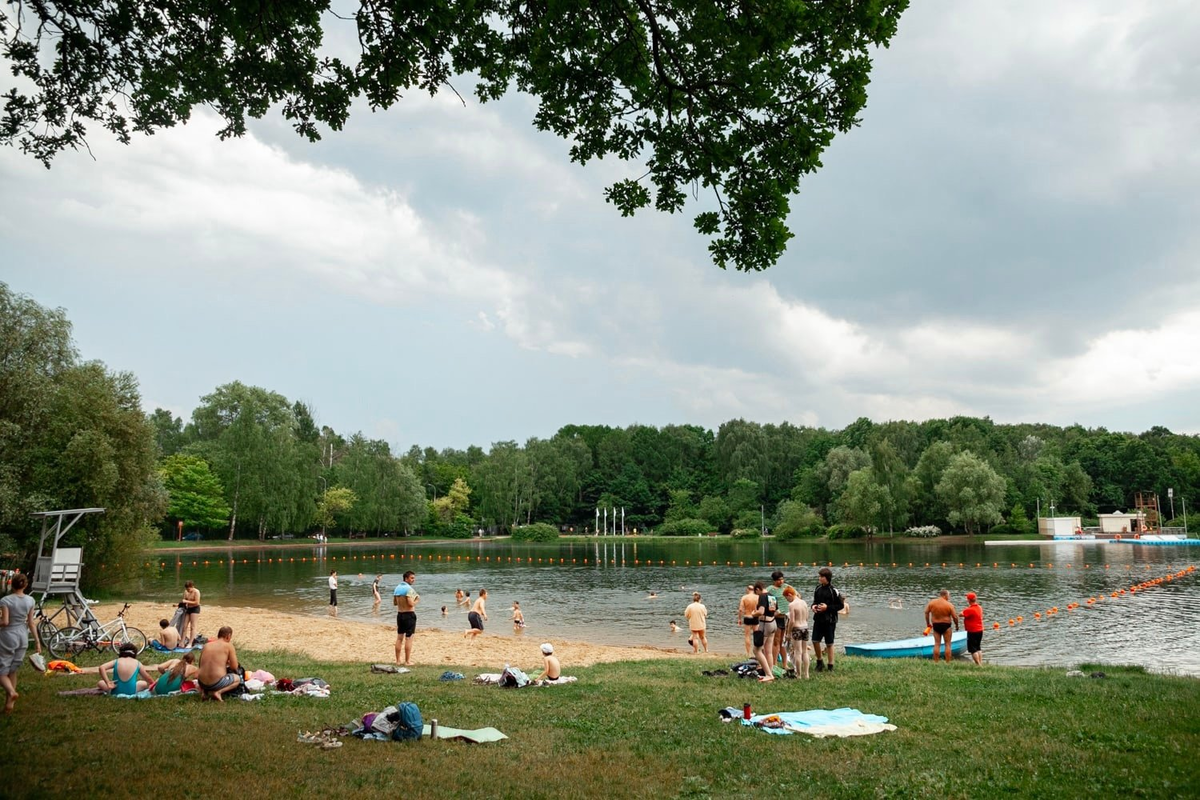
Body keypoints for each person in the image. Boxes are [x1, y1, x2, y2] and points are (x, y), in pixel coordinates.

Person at [0, 572, 42, 713]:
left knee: (2, 670)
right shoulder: (30, 600)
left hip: (8, 637)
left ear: (11, 584)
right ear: (25, 585)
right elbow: (31, 623)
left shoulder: (5, 601)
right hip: (22, 636)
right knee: (13, 669)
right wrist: (37, 641)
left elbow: (5, 622)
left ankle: (11, 692)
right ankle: (9, 704)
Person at [811, 567, 844, 673]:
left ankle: (830, 665)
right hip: (818, 619)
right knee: (815, 641)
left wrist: (827, 608)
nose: (819, 578)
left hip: (830, 620)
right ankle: (819, 661)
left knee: (829, 643)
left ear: (827, 578)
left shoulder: (833, 590)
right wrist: (813, 606)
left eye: (821, 577)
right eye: (819, 576)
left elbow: (840, 605)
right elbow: (814, 601)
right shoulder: (817, 588)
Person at [197, 626, 242, 702]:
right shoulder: (228, 646)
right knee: (237, 678)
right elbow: (234, 667)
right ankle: (218, 692)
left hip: (201, 682)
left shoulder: (206, 645)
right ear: (228, 636)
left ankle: (205, 692)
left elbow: (200, 665)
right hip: (216, 683)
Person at [924, 589, 960, 663]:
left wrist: (928, 623)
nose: (949, 597)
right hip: (946, 625)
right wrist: (956, 625)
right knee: (947, 644)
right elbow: (955, 617)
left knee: (937, 644)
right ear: (945, 595)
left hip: (936, 625)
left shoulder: (932, 603)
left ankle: (936, 662)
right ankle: (947, 662)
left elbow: (926, 612)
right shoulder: (949, 605)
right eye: (948, 595)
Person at [766, 571, 793, 668]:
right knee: (776, 641)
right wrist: (774, 612)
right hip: (776, 617)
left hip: (786, 617)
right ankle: (774, 664)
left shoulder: (787, 587)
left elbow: (796, 595)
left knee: (784, 641)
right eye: (778, 580)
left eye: (782, 579)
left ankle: (785, 664)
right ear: (774, 580)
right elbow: (769, 604)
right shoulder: (770, 590)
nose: (781, 581)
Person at [783, 586, 810, 679]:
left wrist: (788, 633)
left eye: (787, 598)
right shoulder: (804, 602)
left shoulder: (792, 605)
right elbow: (807, 617)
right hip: (805, 627)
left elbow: (792, 621)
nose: (787, 600)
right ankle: (806, 674)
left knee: (797, 652)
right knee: (805, 651)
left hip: (797, 628)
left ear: (789, 595)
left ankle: (798, 675)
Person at [751, 582, 777, 681]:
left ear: (758, 589)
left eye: (756, 593)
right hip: (773, 623)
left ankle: (769, 674)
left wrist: (754, 614)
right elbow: (775, 611)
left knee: (756, 650)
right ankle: (769, 673)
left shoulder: (762, 596)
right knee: (768, 651)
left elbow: (761, 611)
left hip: (765, 624)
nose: (757, 595)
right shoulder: (772, 596)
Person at [393, 570, 418, 666]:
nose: (413, 580)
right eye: (412, 578)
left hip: (400, 615)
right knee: (409, 638)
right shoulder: (409, 589)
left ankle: (398, 661)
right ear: (406, 578)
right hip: (409, 615)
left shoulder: (397, 588)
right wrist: (417, 601)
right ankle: (407, 661)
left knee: (399, 638)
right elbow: (411, 604)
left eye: (414, 578)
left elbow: (395, 603)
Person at [961, 592, 984, 666]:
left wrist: (963, 611)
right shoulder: (979, 607)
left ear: (968, 600)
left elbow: (961, 614)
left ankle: (978, 665)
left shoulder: (969, 609)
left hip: (972, 631)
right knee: (978, 647)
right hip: (980, 630)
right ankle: (980, 663)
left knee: (973, 649)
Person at [738, 583, 758, 656]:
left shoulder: (744, 597)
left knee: (747, 636)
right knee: (756, 635)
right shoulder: (757, 597)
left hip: (747, 617)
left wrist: (739, 619)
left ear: (747, 589)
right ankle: (757, 652)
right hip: (756, 617)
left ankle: (748, 653)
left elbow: (740, 609)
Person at [180, 580, 201, 647]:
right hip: (188, 609)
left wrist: (186, 601)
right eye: (187, 589)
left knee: (193, 626)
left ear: (192, 587)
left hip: (195, 609)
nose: (188, 590)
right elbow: (184, 600)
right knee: (184, 626)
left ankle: (190, 643)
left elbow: (197, 602)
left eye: (189, 589)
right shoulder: (186, 592)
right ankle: (182, 641)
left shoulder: (196, 592)